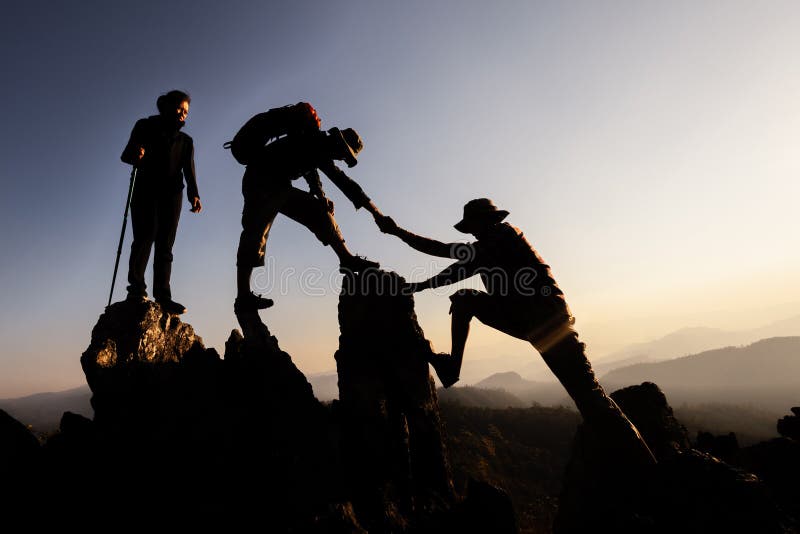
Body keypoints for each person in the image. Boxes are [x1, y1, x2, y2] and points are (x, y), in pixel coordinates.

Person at [377, 198, 577, 387]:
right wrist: (420, 282)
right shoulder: (488, 247)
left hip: (547, 319)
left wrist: (398, 233)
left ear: (486, 221)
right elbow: (454, 263)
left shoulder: (503, 236)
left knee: (585, 391)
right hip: (532, 320)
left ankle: (452, 369)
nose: (471, 232)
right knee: (464, 299)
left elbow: (445, 253)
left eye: (472, 225)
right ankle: (452, 369)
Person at [233, 102, 384, 313]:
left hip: (279, 185)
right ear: (340, 144)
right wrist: (376, 213)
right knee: (256, 233)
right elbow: (343, 182)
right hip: (260, 180)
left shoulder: (318, 144)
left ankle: (347, 260)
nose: (341, 158)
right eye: (344, 154)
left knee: (320, 213)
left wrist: (320, 196)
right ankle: (243, 297)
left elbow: (310, 170)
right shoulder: (319, 144)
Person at [120, 90, 202, 315]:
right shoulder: (144, 126)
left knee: (165, 245)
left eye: (186, 112)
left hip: (172, 195)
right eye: (179, 108)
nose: (183, 114)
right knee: (144, 238)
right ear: (165, 106)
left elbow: (189, 170)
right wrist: (136, 152)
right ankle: (136, 289)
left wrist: (194, 194)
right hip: (146, 189)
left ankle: (163, 297)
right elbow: (126, 155)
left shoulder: (186, 141)